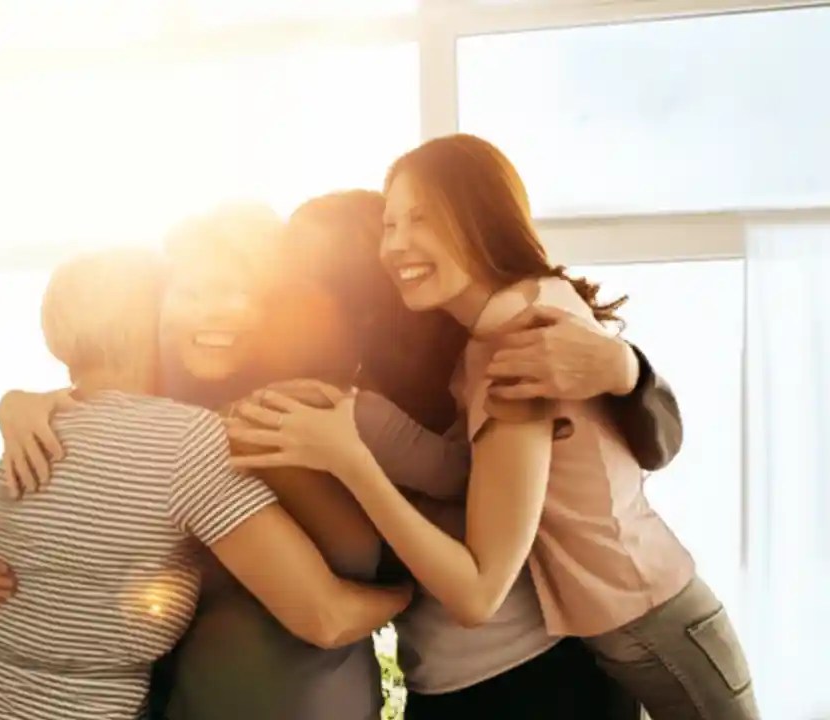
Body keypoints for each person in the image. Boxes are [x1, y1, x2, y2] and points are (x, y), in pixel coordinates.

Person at [0, 194, 686, 719]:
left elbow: (496, 497)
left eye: (249, 294)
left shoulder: (352, 407)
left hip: (385, 693)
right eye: (196, 291)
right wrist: (21, 417)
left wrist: (625, 370)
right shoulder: (170, 420)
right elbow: (78, 515)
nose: (219, 314)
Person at [229, 134, 756, 720]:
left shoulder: (510, 332)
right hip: (577, 639)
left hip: (589, 641)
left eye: (419, 220)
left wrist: (627, 370)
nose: (397, 246)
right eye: (390, 226)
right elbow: (469, 479)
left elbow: (478, 582)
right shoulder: (475, 343)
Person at [0, 248, 412, 720]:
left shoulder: (33, 431)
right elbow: (325, 618)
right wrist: (412, 596)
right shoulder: (186, 439)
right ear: (153, 323)